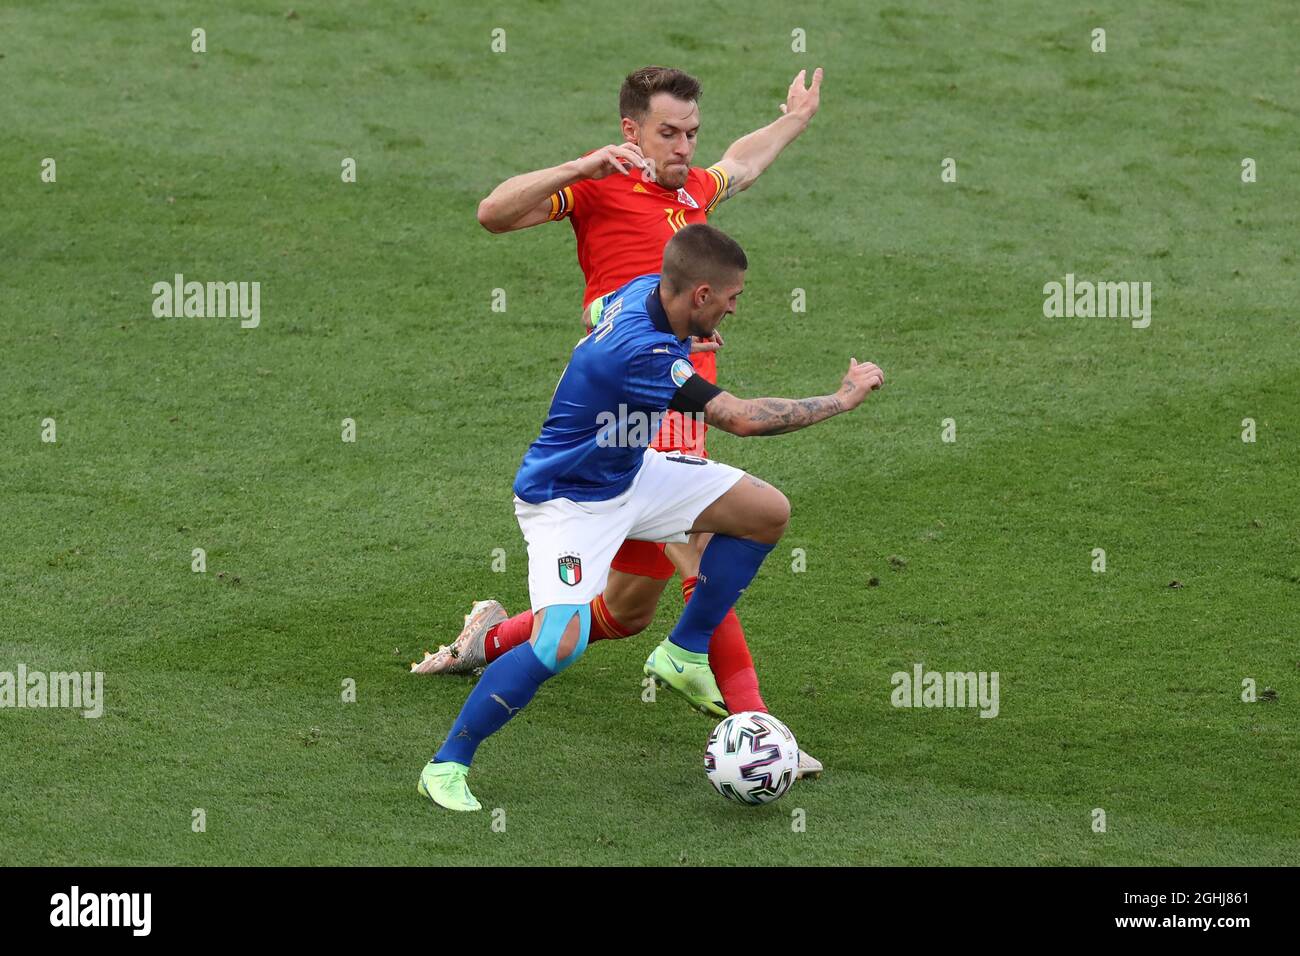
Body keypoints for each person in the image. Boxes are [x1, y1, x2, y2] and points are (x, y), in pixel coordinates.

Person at [418, 224, 884, 811]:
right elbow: (738, 418)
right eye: (732, 297)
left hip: (631, 474)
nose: (736, 309)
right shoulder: (646, 351)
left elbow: (598, 308)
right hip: (567, 502)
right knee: (560, 643)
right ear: (700, 295)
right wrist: (841, 399)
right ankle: (447, 764)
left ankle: (685, 649)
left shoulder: (645, 290)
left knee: (766, 512)